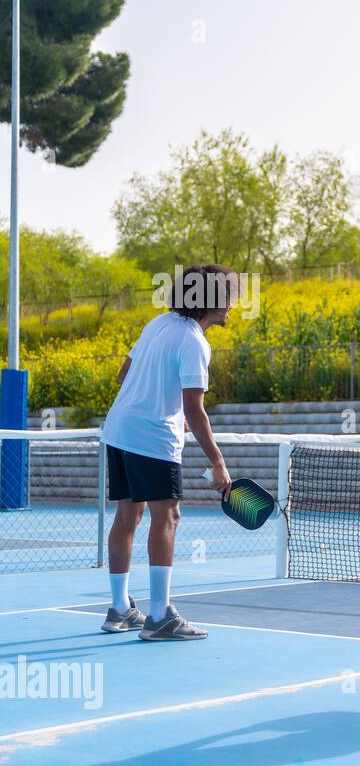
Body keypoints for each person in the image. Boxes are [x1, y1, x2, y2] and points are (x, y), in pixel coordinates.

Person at [99, 265, 235, 640]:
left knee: (127, 517)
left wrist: (168, 409)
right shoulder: (194, 341)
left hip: (119, 429)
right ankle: (160, 616)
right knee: (168, 517)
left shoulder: (157, 323)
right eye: (227, 296)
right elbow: (195, 408)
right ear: (212, 301)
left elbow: (125, 375)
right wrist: (218, 462)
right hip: (152, 438)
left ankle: (120, 610)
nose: (232, 303)